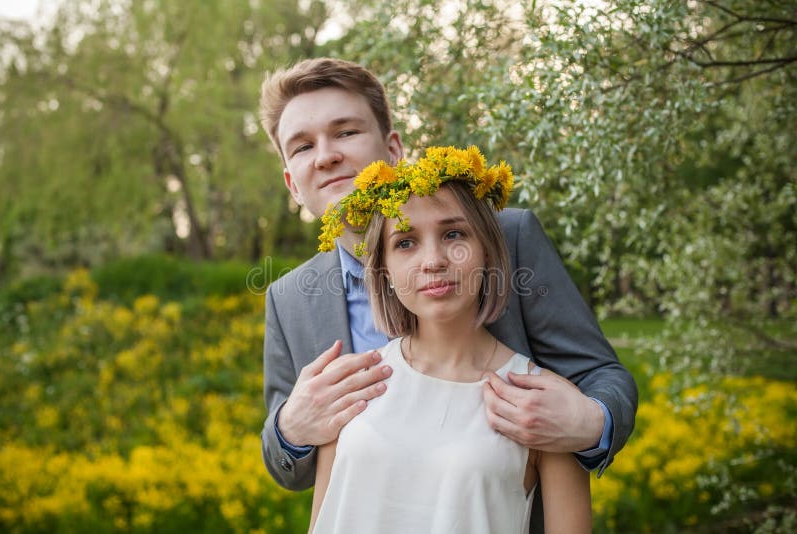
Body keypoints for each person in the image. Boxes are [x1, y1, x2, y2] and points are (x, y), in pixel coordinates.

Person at [258, 57, 637, 532]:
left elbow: (599, 372)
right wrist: (291, 429)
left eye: (346, 132)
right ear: (293, 182)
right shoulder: (290, 298)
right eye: (302, 146)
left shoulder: (506, 237)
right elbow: (291, 467)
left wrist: (591, 425)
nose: (326, 155)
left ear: (393, 150)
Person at [308, 148, 591, 533]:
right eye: (405, 242)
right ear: (383, 269)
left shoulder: (543, 403)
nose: (433, 260)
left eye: (454, 234)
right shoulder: (352, 385)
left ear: (488, 251)